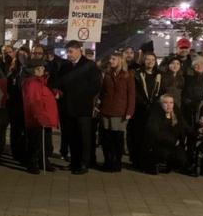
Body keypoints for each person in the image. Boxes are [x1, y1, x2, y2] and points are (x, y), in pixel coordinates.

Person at [52, 40, 102, 174]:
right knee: (71, 136)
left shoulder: (90, 65)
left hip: (82, 108)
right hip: (68, 107)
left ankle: (84, 163)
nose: (68, 55)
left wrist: (83, 95)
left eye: (71, 52)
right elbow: (60, 82)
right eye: (67, 52)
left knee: (84, 137)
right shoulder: (65, 66)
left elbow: (96, 86)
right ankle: (73, 162)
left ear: (79, 50)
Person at [21, 56, 58, 174]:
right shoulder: (32, 83)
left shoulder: (41, 81)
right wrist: (39, 115)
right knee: (36, 142)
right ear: (33, 70)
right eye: (39, 68)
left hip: (45, 117)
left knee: (46, 142)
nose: (42, 70)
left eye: (42, 68)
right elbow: (33, 100)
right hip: (38, 118)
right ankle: (32, 163)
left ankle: (44, 161)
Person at [99, 52, 135, 172]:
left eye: (113, 59)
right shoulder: (107, 74)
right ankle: (108, 161)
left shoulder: (127, 75)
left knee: (117, 138)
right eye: (110, 58)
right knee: (106, 137)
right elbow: (103, 91)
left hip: (120, 111)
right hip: (106, 110)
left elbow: (131, 94)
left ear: (120, 60)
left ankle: (117, 162)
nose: (111, 61)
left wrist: (129, 110)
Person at [129, 52, 162, 169]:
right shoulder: (137, 74)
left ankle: (146, 159)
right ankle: (135, 160)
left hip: (153, 110)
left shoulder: (159, 75)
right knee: (137, 135)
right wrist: (143, 102)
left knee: (148, 136)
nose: (150, 62)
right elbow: (134, 91)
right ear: (144, 61)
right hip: (139, 109)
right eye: (147, 59)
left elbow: (161, 92)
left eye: (153, 59)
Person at [144, 95, 187, 174]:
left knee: (181, 159)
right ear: (161, 104)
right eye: (166, 103)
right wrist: (173, 140)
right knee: (162, 153)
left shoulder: (176, 116)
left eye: (171, 103)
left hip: (174, 145)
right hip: (159, 144)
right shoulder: (155, 116)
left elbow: (185, 127)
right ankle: (154, 164)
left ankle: (169, 166)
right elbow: (155, 133)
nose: (169, 105)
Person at [7, 47, 30, 164]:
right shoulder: (13, 70)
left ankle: (25, 153)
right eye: (20, 54)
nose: (22, 56)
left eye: (25, 54)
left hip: (27, 105)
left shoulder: (30, 70)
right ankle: (16, 152)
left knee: (26, 131)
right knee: (15, 130)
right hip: (15, 105)